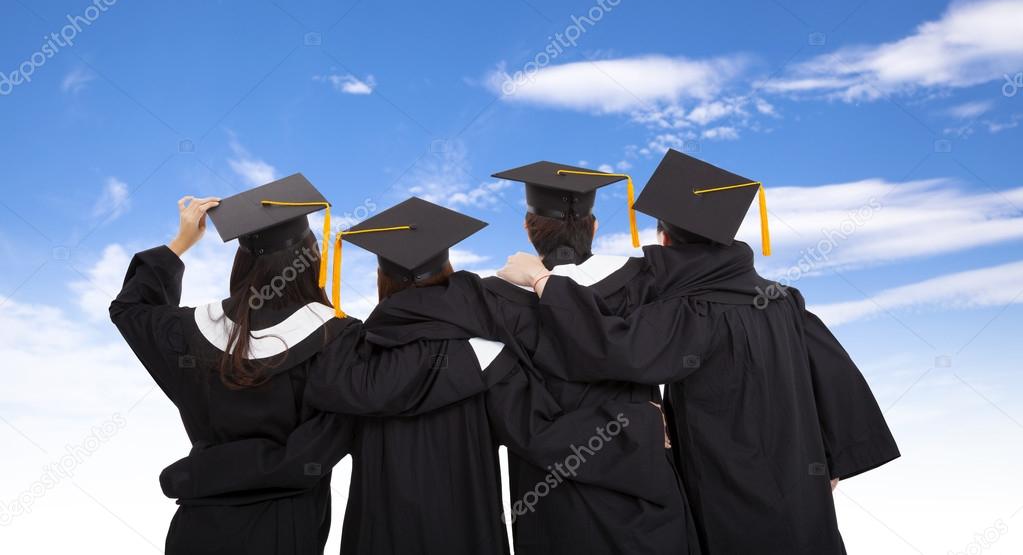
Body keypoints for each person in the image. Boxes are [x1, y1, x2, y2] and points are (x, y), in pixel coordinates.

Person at [162, 193, 685, 555]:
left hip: (376, 535)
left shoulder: (345, 356)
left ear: (380, 274)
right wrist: (635, 426)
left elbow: (307, 439)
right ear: (448, 267)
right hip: (469, 531)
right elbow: (539, 433)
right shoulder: (489, 352)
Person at [499, 149, 900, 555]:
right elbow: (835, 374)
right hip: (800, 480)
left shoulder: (693, 311)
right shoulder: (782, 299)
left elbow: (615, 348)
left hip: (729, 486)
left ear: (664, 239)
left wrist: (541, 280)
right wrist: (832, 460)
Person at [111, 176, 501, 555]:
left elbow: (130, 310)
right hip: (288, 528)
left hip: (196, 526)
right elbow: (374, 400)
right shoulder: (336, 339)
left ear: (242, 260)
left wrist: (180, 243)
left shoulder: (186, 332)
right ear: (311, 260)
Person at [365, 164, 696, 555]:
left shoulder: (488, 299)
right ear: (592, 227)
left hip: (549, 499)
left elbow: (412, 309)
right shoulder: (644, 281)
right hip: (644, 490)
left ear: (527, 227)